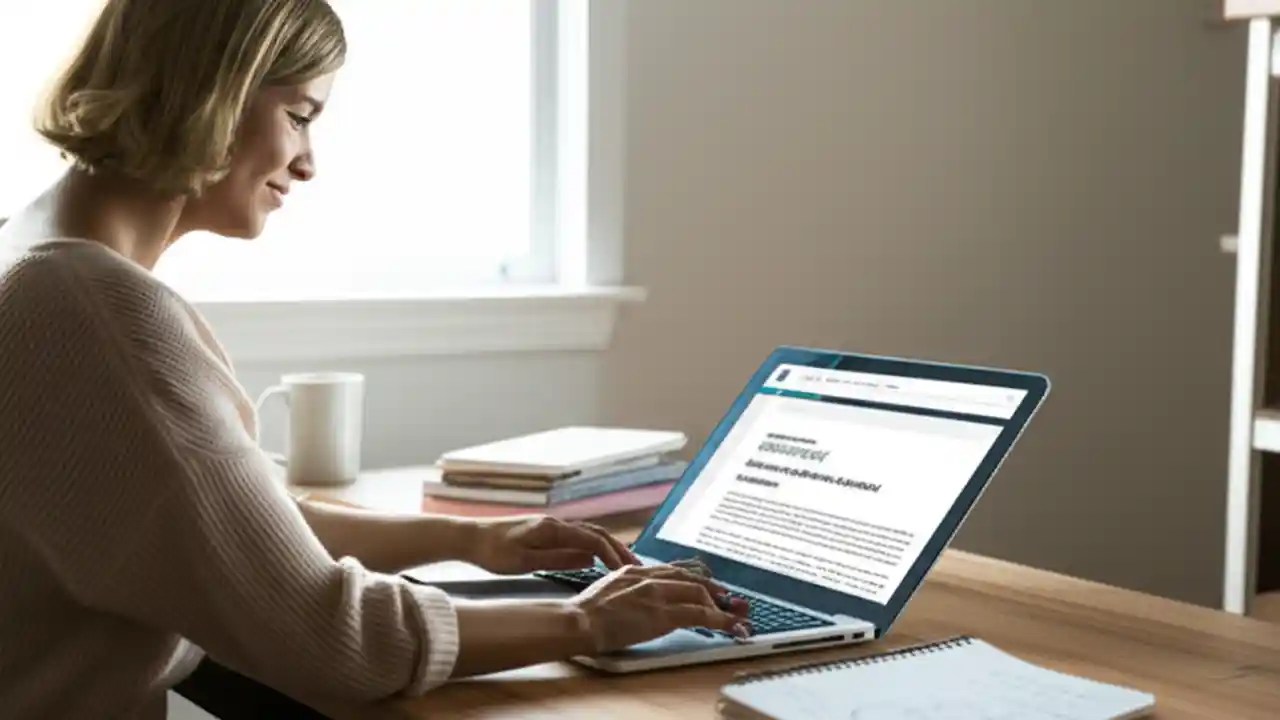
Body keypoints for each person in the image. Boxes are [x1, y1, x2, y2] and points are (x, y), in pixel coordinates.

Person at [0, 1, 750, 718]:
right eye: (299, 115)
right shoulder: (96, 315)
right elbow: (332, 638)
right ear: (214, 91)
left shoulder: (27, 258)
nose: (307, 163)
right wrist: (585, 622)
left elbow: (233, 526)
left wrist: (472, 540)